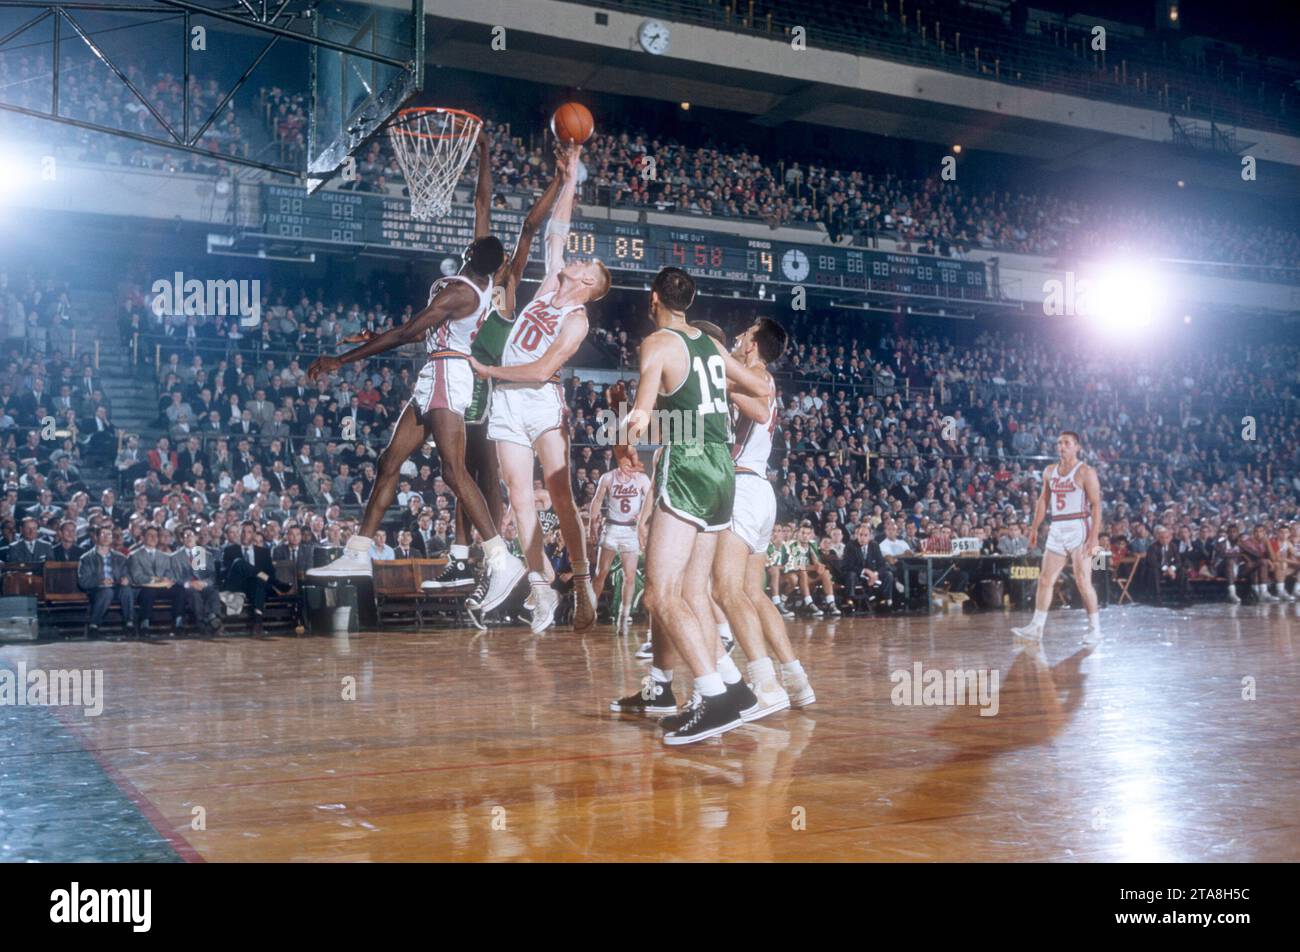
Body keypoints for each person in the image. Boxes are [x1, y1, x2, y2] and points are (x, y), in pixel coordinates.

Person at [305, 129, 526, 620]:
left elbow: (408, 333)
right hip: (436, 371)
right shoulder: (481, 274)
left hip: (449, 374)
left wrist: (343, 359)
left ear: (471, 255)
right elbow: (483, 203)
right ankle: (358, 552)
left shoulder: (460, 292)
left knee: (452, 471)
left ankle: (500, 560)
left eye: (473, 244)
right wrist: (484, 152)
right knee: (390, 460)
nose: (470, 241)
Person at [611, 267, 773, 745]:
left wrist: (624, 425)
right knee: (694, 592)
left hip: (688, 462)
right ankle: (735, 689)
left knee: (660, 594)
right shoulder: (712, 346)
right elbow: (762, 390)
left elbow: (641, 414)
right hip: (723, 467)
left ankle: (712, 698)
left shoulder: (658, 343)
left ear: (654, 298)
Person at [469, 142, 608, 634]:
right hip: (507, 401)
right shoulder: (551, 284)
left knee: (560, 492)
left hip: (538, 398)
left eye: (587, 265)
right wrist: (568, 179)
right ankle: (540, 585)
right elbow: (556, 229)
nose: (580, 260)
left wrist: (489, 372)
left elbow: (541, 369)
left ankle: (583, 581)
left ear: (589, 284)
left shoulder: (577, 320)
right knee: (517, 497)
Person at [430, 138, 572, 591]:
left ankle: (490, 562)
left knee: (482, 476)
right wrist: (484, 153)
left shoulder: (506, 282)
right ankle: (467, 557)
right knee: (462, 472)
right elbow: (482, 202)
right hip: (459, 375)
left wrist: (558, 182)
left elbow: (530, 226)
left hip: (489, 385)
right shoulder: (472, 278)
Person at [1010, 431, 1103, 642]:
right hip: (1058, 525)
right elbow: (1043, 500)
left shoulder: (1086, 471)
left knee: (1083, 580)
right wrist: (1034, 528)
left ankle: (1095, 629)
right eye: (1059, 443)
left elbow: (1096, 505)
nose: (1061, 446)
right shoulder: (1049, 471)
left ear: (1077, 447)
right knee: (1045, 579)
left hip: (1079, 525)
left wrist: (1094, 537)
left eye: (1067, 443)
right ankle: (1036, 627)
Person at [588, 445, 651, 635]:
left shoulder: (642, 478)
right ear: (619, 461)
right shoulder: (608, 477)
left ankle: (624, 615)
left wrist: (643, 516)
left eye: (632, 463)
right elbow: (597, 500)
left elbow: (651, 499)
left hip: (631, 530)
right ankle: (589, 612)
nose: (629, 467)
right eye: (626, 463)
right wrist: (592, 523)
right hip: (612, 527)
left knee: (629, 576)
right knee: (601, 572)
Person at [126, 525, 182, 638]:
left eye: (156, 535)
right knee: (148, 592)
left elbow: (170, 572)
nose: (154, 538)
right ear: (143, 538)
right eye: (150, 535)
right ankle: (144, 624)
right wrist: (157, 580)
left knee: (179, 590)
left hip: (162, 587)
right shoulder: (134, 555)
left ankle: (178, 622)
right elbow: (137, 577)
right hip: (144, 588)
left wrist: (168, 579)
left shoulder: (165, 556)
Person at [222, 520, 276, 635]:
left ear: (254, 534)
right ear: (239, 533)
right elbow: (225, 573)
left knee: (258, 582)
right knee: (239, 562)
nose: (245, 535)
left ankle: (257, 622)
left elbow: (270, 574)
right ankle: (258, 620)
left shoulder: (263, 552)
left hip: (256, 586)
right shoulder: (230, 551)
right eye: (243, 532)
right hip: (237, 585)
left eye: (249, 532)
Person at [77, 525, 133, 636]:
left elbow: (128, 575)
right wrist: (100, 581)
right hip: (96, 590)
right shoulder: (86, 558)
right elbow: (83, 581)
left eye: (109, 535)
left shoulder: (120, 557)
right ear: (96, 537)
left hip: (116, 588)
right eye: (103, 534)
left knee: (126, 590)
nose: (106, 537)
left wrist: (126, 580)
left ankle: (129, 624)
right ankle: (94, 625)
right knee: (107, 592)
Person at [172, 525, 222, 634]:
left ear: (196, 537)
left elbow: (212, 576)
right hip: (187, 587)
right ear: (182, 539)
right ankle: (202, 621)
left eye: (191, 535)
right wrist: (189, 583)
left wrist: (204, 583)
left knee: (213, 591)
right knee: (193, 594)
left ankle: (214, 617)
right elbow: (176, 577)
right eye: (186, 536)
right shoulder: (175, 557)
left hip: (202, 585)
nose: (189, 538)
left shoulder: (205, 555)